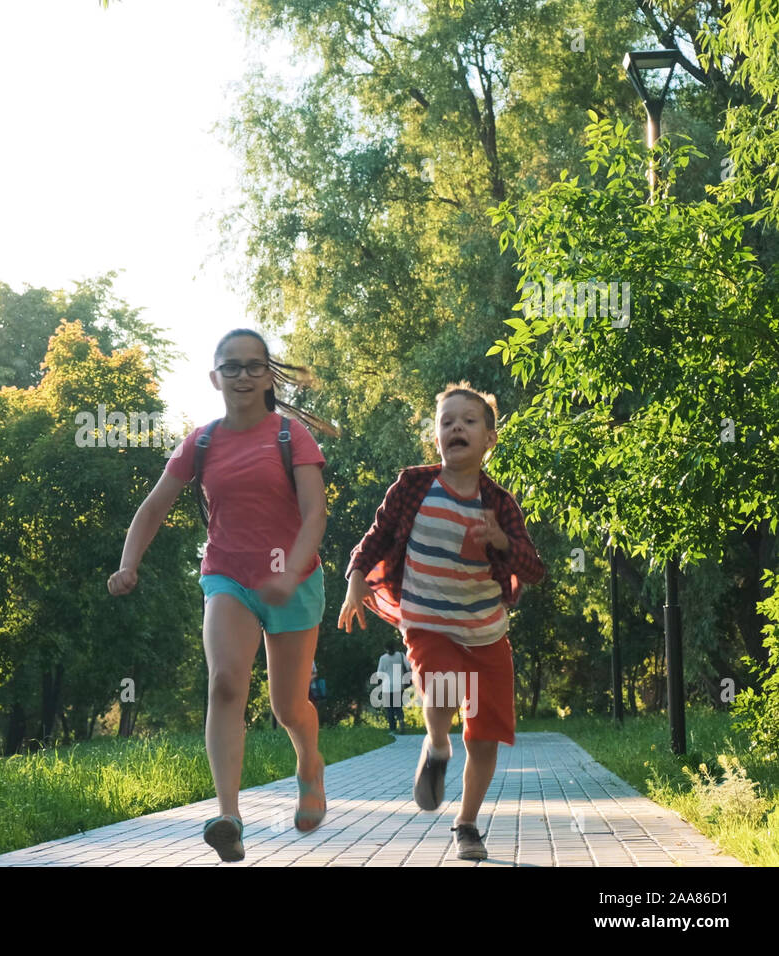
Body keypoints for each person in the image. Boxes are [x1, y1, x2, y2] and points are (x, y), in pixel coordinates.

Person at [107, 328, 337, 862]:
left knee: (287, 706)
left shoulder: (291, 437)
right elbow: (154, 506)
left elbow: (315, 514)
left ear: (266, 375)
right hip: (226, 577)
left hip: (295, 581)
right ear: (215, 378)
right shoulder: (201, 441)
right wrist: (128, 564)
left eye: (253, 366)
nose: (242, 375)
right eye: (230, 367)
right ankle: (228, 816)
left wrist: (291, 570)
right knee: (226, 683)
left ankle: (309, 764)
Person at [337, 382, 545, 861]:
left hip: (487, 631)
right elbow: (376, 535)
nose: (457, 427)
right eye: (447, 421)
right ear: (436, 437)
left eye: (469, 421)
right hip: (427, 618)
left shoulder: (499, 504)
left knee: (487, 739)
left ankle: (467, 825)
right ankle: (435, 746)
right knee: (443, 686)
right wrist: (355, 578)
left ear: (489, 439)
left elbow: (535, 571)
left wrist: (502, 544)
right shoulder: (413, 484)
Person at [376, 642, 409, 733]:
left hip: (387, 687)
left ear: (385, 649)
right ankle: (401, 721)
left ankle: (392, 728)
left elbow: (379, 673)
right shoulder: (401, 655)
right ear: (395, 647)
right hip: (399, 685)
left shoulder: (383, 658)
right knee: (398, 706)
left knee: (389, 708)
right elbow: (409, 667)